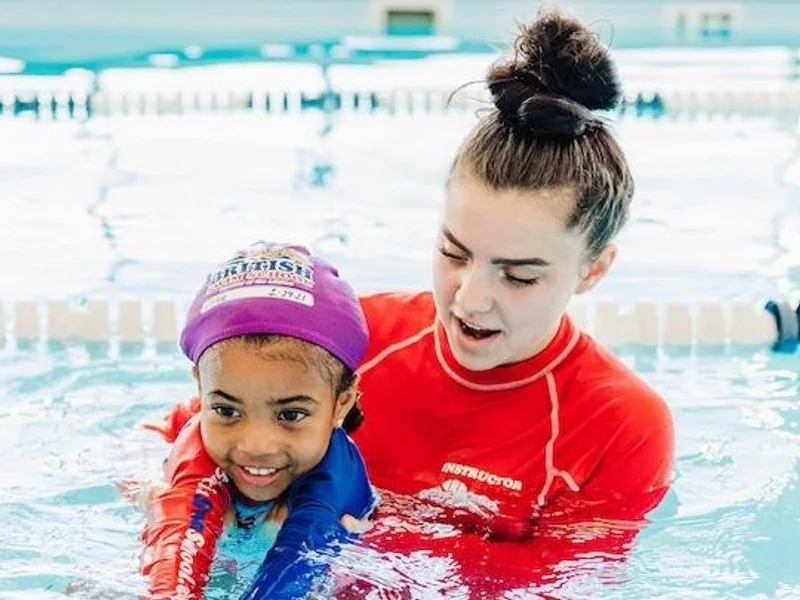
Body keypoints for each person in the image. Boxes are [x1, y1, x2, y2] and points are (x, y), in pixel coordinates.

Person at [341, 9, 675, 595]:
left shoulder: (621, 427)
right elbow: (174, 445)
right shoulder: (356, 340)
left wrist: (363, 541)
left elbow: (564, 582)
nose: (469, 300)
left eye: (519, 277)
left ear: (593, 270)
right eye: (454, 253)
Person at [138, 241, 377, 599]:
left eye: (290, 415)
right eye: (227, 411)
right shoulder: (169, 457)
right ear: (200, 388)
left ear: (342, 402)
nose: (256, 446)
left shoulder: (357, 520)